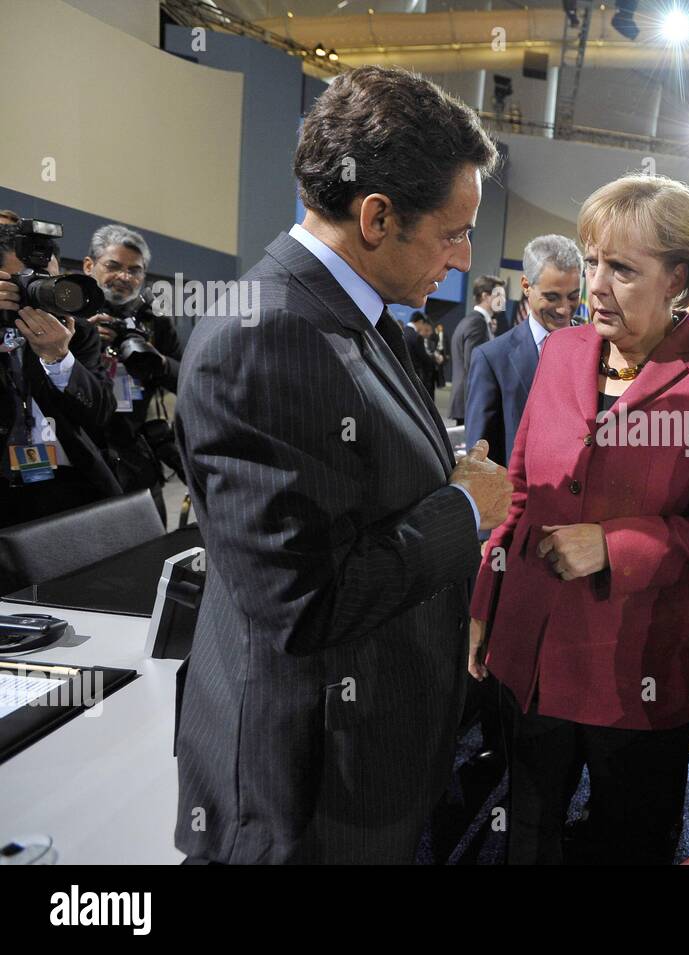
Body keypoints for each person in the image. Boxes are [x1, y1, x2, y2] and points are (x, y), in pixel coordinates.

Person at [172, 66, 513, 864]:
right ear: (377, 216)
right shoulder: (266, 338)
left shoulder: (359, 320)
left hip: (364, 760)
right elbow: (305, 603)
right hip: (306, 794)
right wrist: (465, 507)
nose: (464, 257)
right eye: (453, 233)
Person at [468, 173, 689, 865]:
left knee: (627, 842)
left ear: (678, 279)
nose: (596, 285)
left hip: (639, 671)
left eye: (622, 269)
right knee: (528, 838)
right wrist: (486, 601)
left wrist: (615, 545)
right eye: (592, 261)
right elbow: (521, 490)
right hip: (533, 652)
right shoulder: (563, 352)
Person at [1, 224, 119, 528]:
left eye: (48, 281)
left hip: (71, 482)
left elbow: (101, 411)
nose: (40, 293)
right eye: (25, 282)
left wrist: (59, 358)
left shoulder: (76, 331)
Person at [82, 224, 184, 522]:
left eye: (134, 270)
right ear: (89, 266)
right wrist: (80, 340)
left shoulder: (153, 320)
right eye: (113, 266)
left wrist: (158, 362)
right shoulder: (66, 312)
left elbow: (187, 379)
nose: (125, 276)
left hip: (135, 454)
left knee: (151, 544)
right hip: (79, 456)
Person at [464, 234, 582, 467]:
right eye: (552, 297)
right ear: (527, 286)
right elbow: (479, 460)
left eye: (573, 296)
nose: (564, 309)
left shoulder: (598, 348)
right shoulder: (492, 359)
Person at [450, 274, 503, 424]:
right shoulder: (477, 323)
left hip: (470, 401)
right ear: (486, 296)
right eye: (499, 295)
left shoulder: (476, 321)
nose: (503, 301)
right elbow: (475, 366)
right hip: (472, 402)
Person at [402, 311, 439, 394]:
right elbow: (424, 358)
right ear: (420, 322)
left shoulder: (402, 331)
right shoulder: (416, 337)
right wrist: (434, 360)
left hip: (402, 374)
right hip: (414, 375)